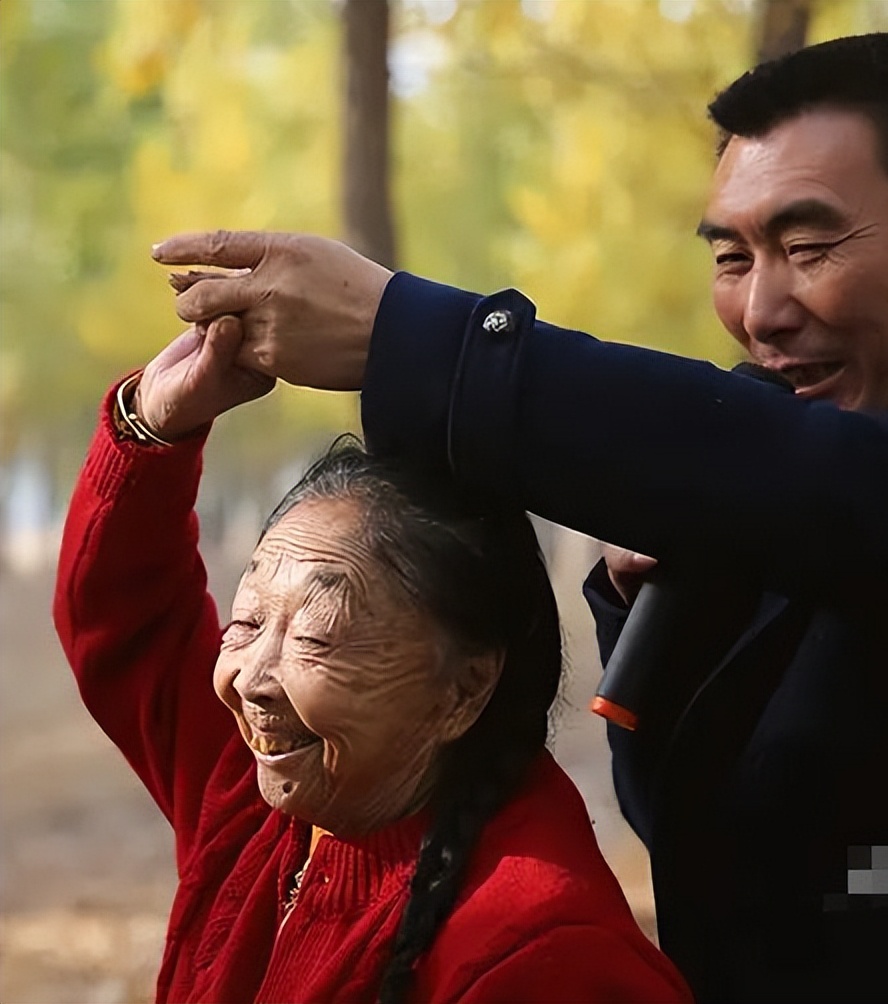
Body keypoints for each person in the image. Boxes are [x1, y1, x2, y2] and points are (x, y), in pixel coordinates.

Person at [150, 32, 888, 1002]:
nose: (760, 310)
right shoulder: (799, 479)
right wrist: (648, 611)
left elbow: (875, 500)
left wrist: (414, 339)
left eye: (805, 246)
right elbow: (715, 828)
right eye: (730, 256)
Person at [52, 315, 693, 1004]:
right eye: (247, 622)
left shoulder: (543, 955)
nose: (251, 679)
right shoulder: (262, 800)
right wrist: (153, 421)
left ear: (464, 689)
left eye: (315, 639)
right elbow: (128, 619)